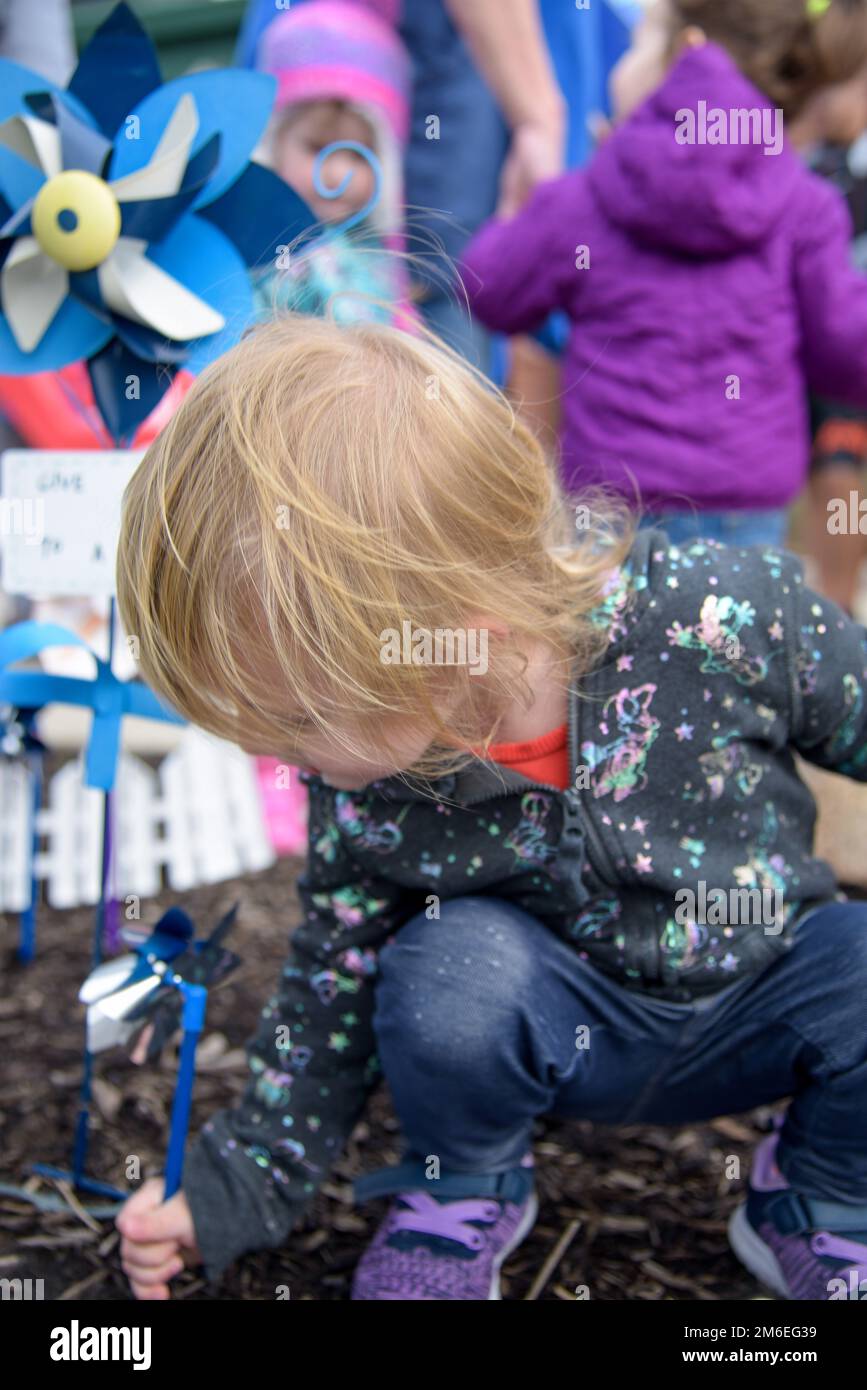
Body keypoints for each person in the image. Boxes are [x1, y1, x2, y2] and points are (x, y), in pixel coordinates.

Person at [115, 314, 867, 1301]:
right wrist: (228, 1188)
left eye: (294, 717)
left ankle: (814, 1191)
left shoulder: (713, 622)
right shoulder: (367, 785)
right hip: (556, 1025)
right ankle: (462, 1181)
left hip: (761, 988)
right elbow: (328, 983)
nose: (270, 752)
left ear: (451, 629)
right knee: (441, 966)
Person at [461, 0, 867, 549]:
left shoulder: (587, 197)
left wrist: (516, 208)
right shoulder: (803, 206)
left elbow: (491, 291)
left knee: (609, 638)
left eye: (637, 44)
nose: (622, 62)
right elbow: (847, 351)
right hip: (745, 517)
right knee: (736, 635)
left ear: (684, 49)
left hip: (610, 516)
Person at [253, 0, 412, 327]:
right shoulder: (257, 255)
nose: (338, 173)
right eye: (317, 147)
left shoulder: (379, 257)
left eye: (358, 154)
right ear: (273, 143)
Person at [789, 67, 867, 612]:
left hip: (849, 347)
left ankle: (838, 607)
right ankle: (832, 609)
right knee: (833, 456)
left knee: (842, 453)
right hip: (814, 354)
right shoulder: (808, 161)